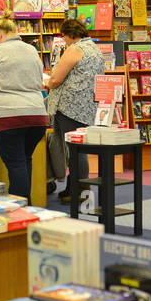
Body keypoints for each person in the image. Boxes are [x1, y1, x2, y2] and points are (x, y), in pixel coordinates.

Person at [0, 17, 48, 201]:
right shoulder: (32, 50)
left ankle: (20, 209)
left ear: (0, 34)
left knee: (15, 163)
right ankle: (27, 205)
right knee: (24, 160)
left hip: (6, 115)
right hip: (37, 115)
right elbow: (40, 80)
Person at [43, 18, 104, 200]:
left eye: (64, 37)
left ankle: (80, 192)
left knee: (75, 151)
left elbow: (56, 79)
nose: (64, 41)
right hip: (87, 107)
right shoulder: (95, 49)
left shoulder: (75, 49)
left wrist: (46, 82)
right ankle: (74, 187)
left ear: (71, 35)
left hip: (70, 107)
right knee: (78, 150)